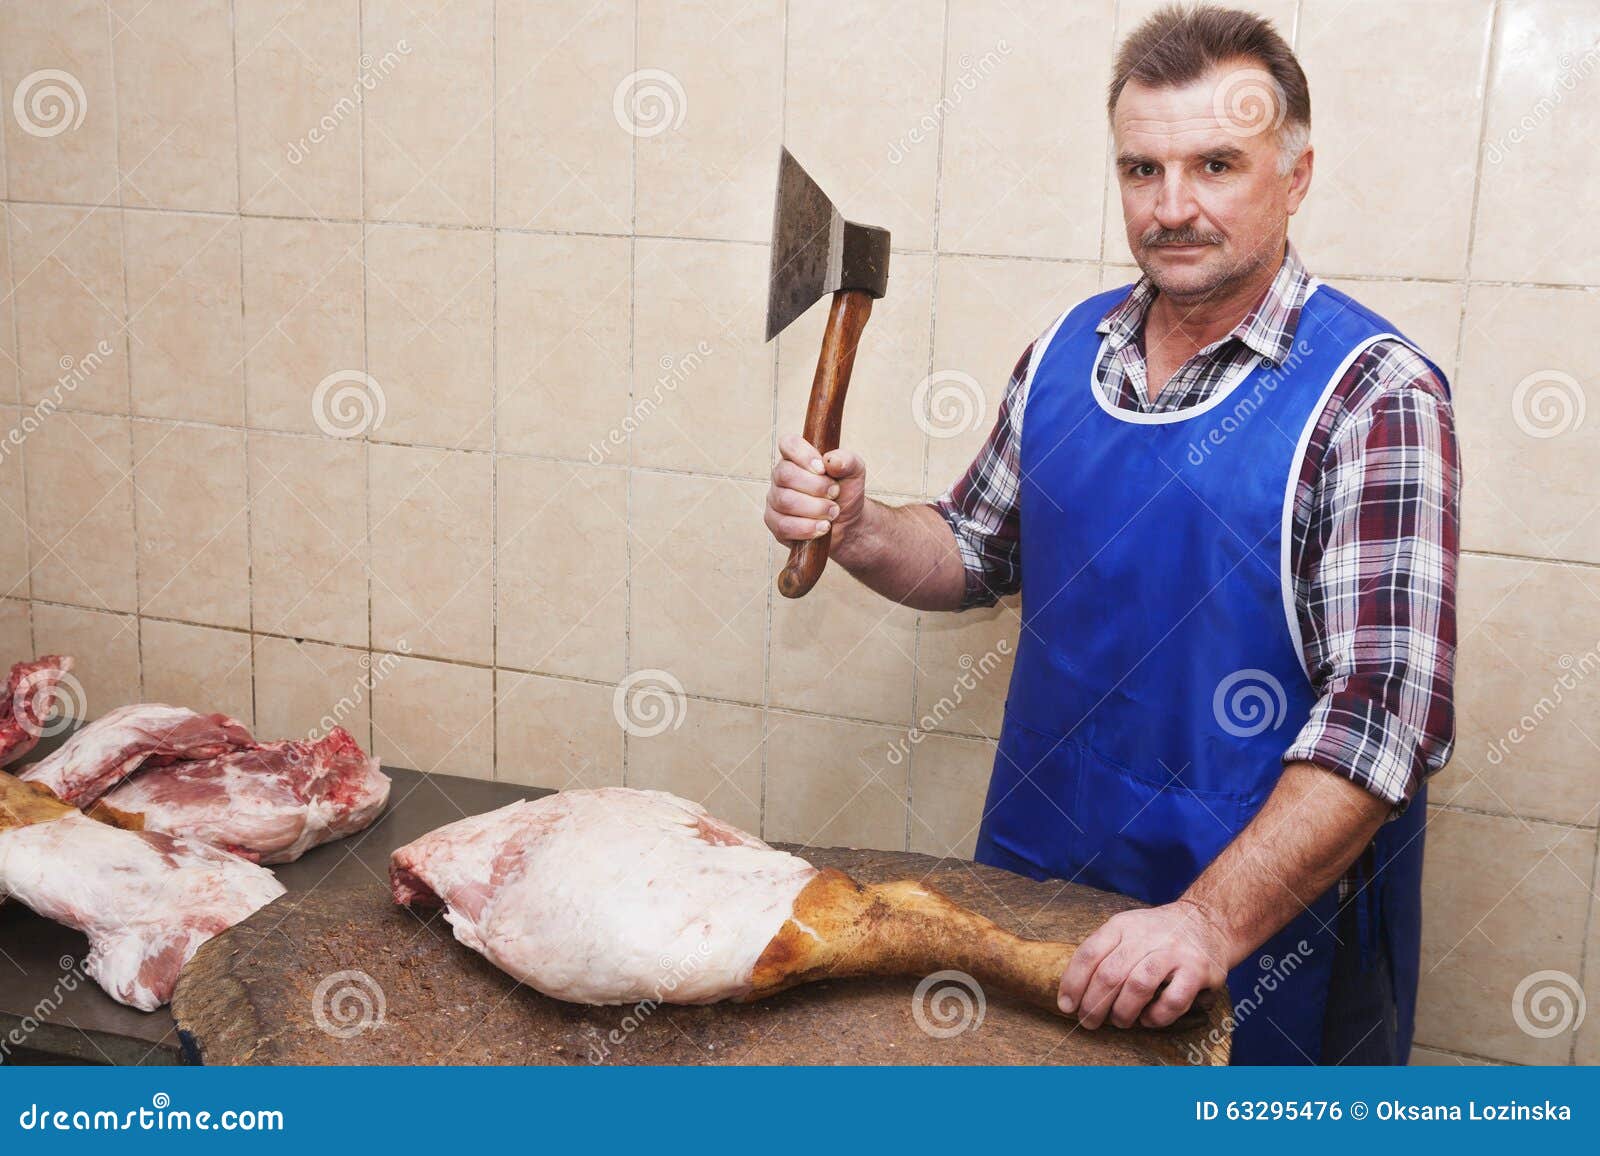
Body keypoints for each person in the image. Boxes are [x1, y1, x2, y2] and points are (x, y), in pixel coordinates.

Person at [761, 4, 1460, 1065]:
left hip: (1255, 936)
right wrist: (859, 528)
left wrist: (1204, 923)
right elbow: (970, 553)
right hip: (1034, 896)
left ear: (1295, 174)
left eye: (1215, 164)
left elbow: (1384, 722)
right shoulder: (1064, 355)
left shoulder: (1373, 395)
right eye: (1142, 171)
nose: (1172, 206)